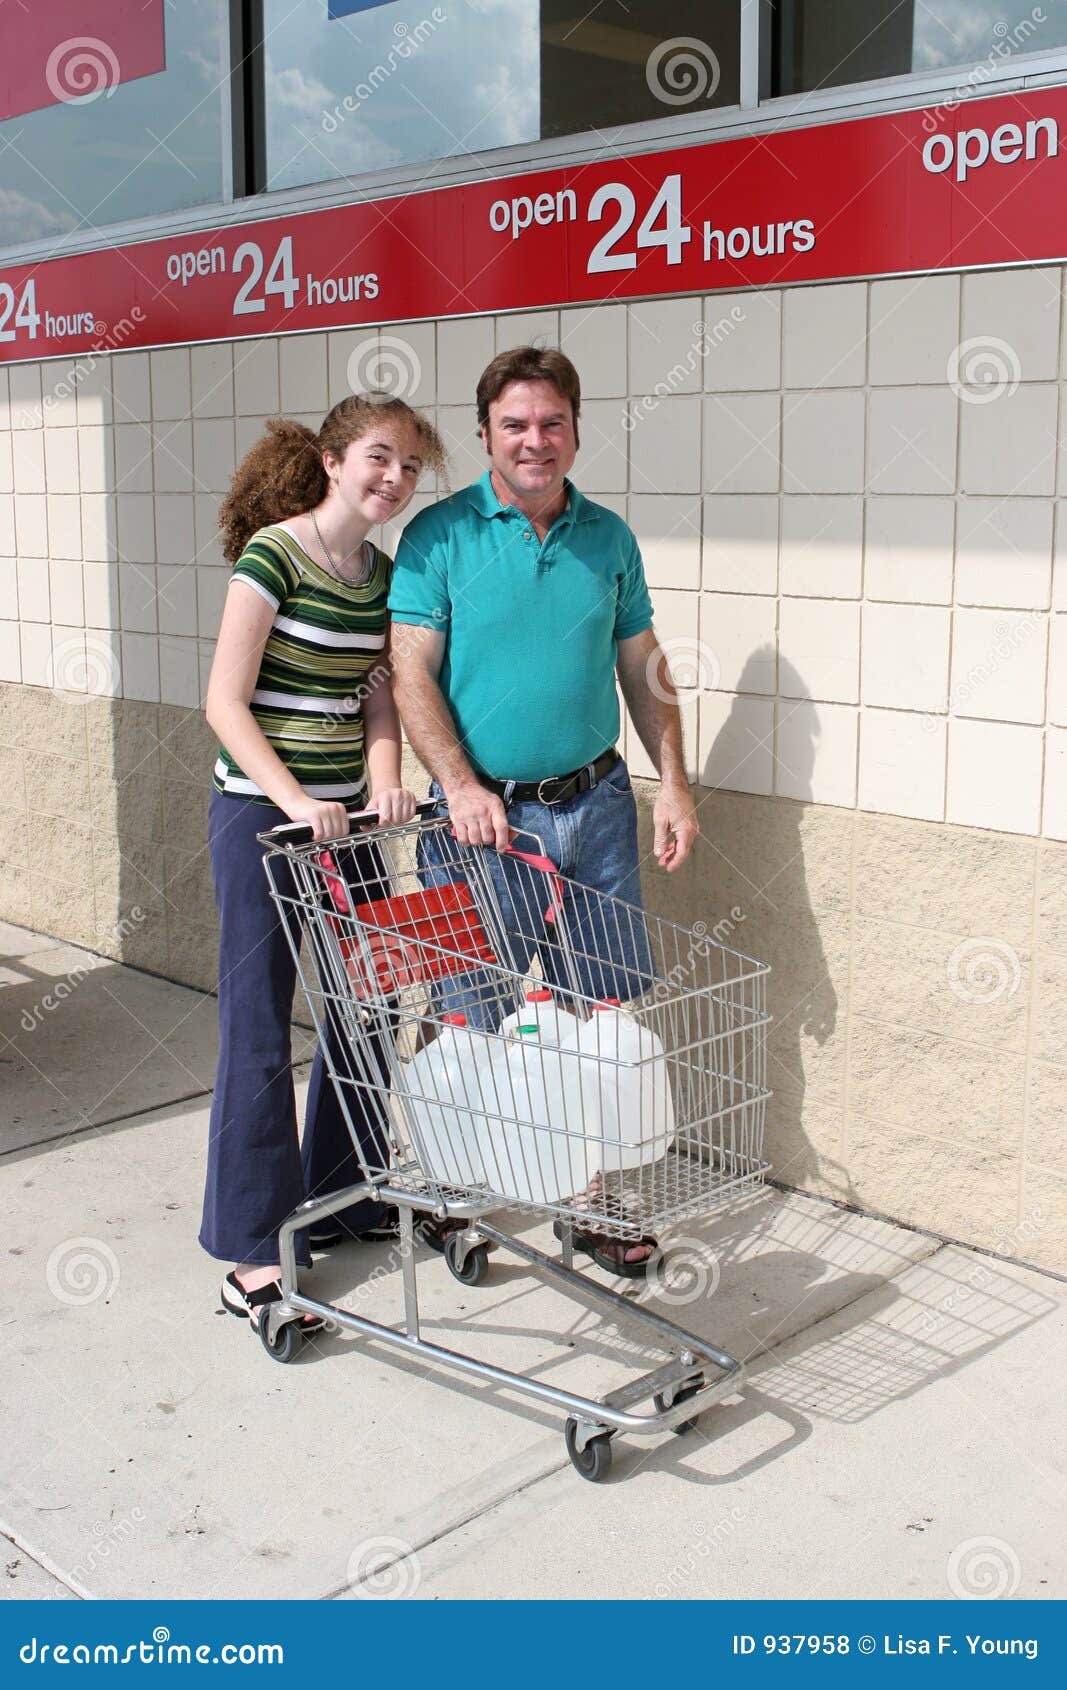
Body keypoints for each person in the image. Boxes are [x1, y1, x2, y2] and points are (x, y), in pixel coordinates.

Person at [388, 345, 699, 1276]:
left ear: (574, 430)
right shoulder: (438, 537)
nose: (535, 440)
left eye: (551, 423)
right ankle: (459, 1181)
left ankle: (586, 1195)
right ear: (485, 434)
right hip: (480, 823)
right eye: (514, 424)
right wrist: (462, 785)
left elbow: (642, 668)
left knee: (596, 1016)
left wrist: (672, 781)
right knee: (470, 1012)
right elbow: (409, 672)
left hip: (594, 806)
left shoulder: (608, 538)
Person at [200, 394, 446, 1336]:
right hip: (265, 821)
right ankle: (253, 1251)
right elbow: (226, 704)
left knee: (371, 999)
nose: (395, 479)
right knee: (259, 1029)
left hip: (351, 832)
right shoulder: (272, 557)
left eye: (411, 467)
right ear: (336, 460)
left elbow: (377, 701)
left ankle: (344, 1195)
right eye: (380, 458)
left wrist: (385, 780)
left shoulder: (378, 576)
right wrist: (299, 801)